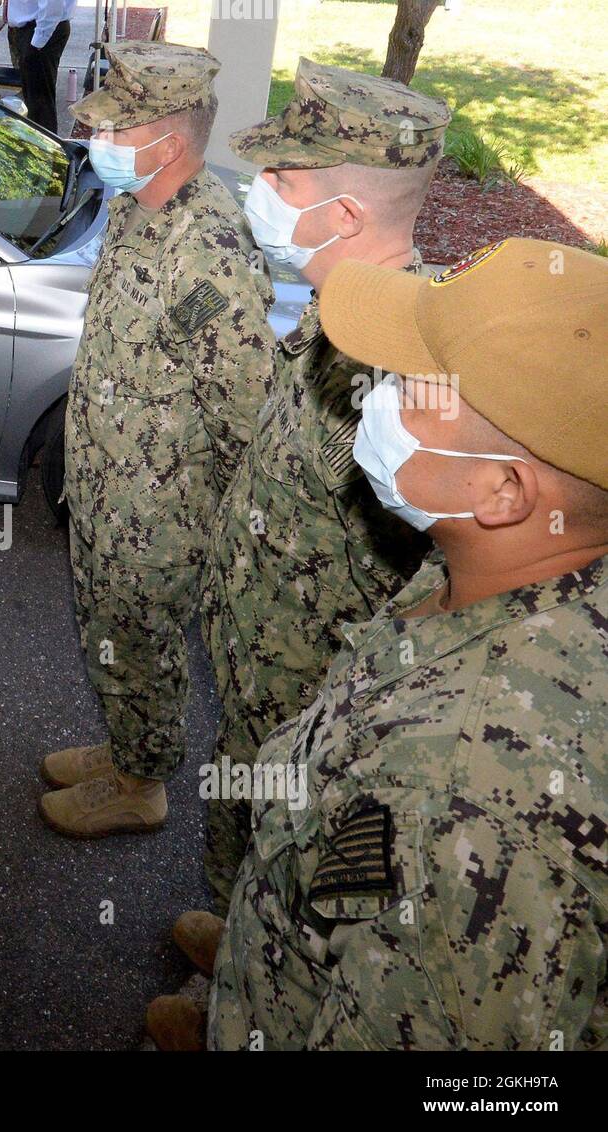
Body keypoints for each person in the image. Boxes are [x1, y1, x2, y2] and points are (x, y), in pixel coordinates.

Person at [189, 238, 608, 1050]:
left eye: (413, 388)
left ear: (502, 491)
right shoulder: (490, 571)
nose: (373, 397)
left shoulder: (471, 812)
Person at [182, 60, 452, 962]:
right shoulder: (338, 319)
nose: (256, 193)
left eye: (280, 181)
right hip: (257, 665)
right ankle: (225, 935)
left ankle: (238, 992)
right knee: (240, 831)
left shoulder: (413, 385)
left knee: (293, 879)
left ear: (342, 215)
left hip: (314, 705)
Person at [38, 43, 275, 840]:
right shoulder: (141, 203)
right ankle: (126, 747)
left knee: (141, 640)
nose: (96, 139)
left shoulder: (205, 248)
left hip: (159, 512)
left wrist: (230, 532)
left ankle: (142, 783)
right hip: (109, 487)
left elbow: (244, 407)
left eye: (113, 128)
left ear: (167, 144)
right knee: (109, 633)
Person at [7, 0, 77, 132]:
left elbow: (52, 5)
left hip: (40, 29)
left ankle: (45, 148)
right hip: (36, 29)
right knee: (36, 103)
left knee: (40, 106)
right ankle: (41, 145)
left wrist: (38, 41)